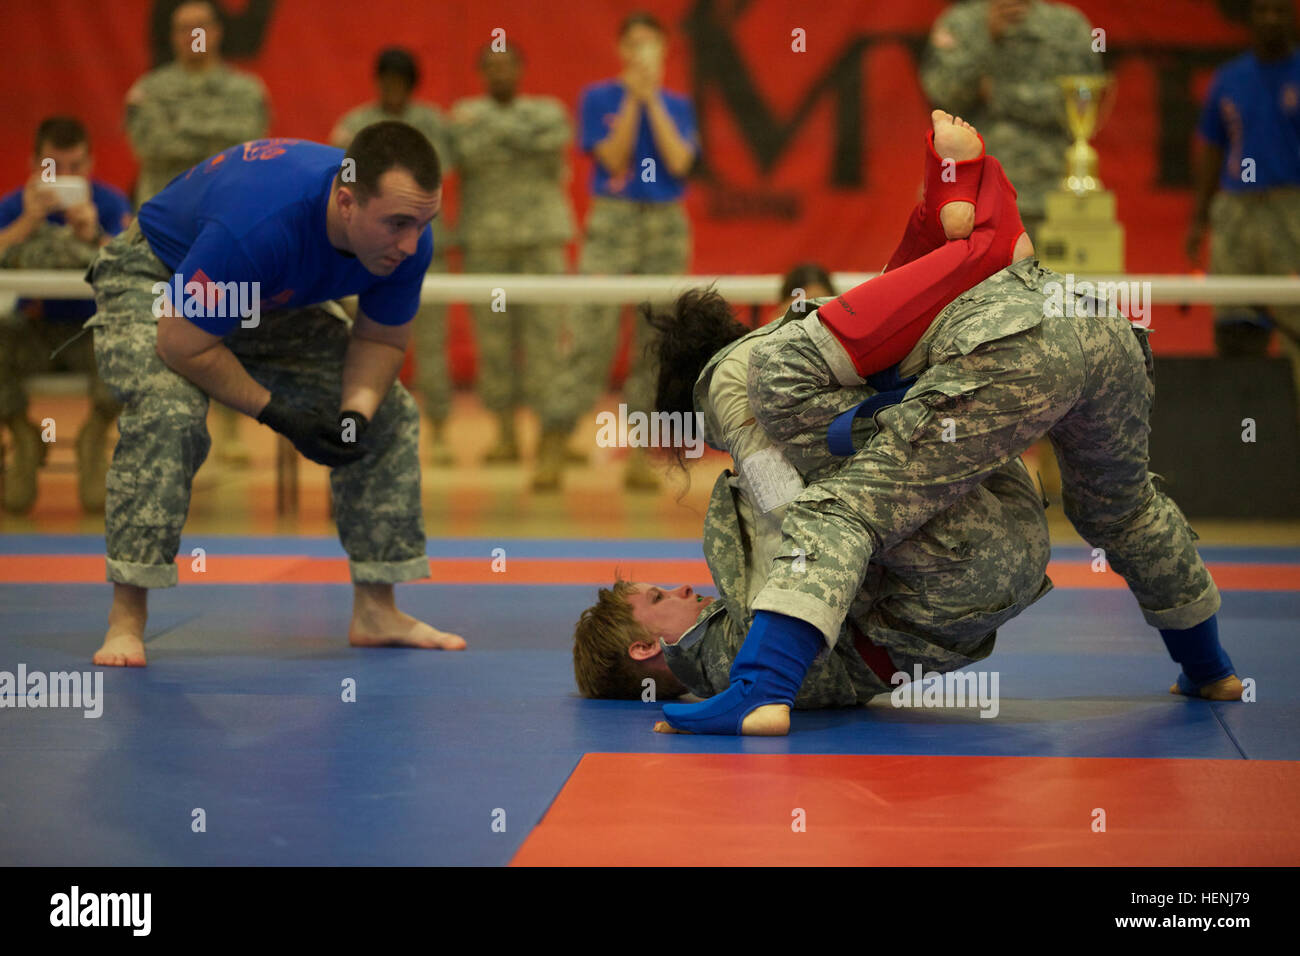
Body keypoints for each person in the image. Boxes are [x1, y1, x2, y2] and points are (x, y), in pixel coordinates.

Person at [659, 114, 1243, 736]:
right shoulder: (813, 334)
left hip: (1005, 345)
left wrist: (781, 622)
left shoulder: (732, 380)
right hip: (1088, 319)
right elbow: (895, 298)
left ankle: (759, 692)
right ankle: (1210, 667)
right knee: (1121, 507)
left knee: (837, 508)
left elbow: (784, 504)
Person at [575, 115, 1051, 708]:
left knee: (886, 345)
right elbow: (786, 515)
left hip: (988, 540)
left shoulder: (730, 391)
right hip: (962, 547)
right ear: (645, 649)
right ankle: (977, 241)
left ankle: (963, 221)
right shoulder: (731, 655)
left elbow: (784, 506)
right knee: (885, 334)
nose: (678, 585)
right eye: (656, 598)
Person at [85, 122, 466, 667]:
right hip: (161, 278)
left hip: (260, 294)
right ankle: (126, 618)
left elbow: (381, 337)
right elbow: (181, 343)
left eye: (422, 224)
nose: (411, 244)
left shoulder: (406, 235)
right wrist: (280, 415)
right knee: (171, 412)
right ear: (347, 202)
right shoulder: (261, 223)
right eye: (398, 224)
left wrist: (353, 415)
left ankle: (377, 610)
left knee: (389, 412)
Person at [556, 10, 699, 492]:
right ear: (621, 50)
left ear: (664, 50)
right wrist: (633, 102)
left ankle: (643, 451)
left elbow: (679, 162)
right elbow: (612, 157)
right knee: (588, 329)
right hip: (613, 218)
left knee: (654, 337)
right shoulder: (598, 98)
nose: (641, 53)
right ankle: (556, 439)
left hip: (664, 224)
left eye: (651, 44)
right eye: (633, 44)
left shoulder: (677, 104)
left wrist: (652, 100)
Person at [125, 0, 271, 466]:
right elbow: (151, 143)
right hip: (164, 231)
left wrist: (184, 129)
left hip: (226, 227)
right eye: (182, 29)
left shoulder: (246, 89)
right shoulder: (149, 90)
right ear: (171, 38)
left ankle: (228, 430)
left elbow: (249, 143)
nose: (193, 36)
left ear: (218, 32)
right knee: (158, 327)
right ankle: (164, 430)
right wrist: (212, 137)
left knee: (225, 323)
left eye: (201, 27)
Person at [449, 44, 577, 472]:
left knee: (546, 340)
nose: (500, 73)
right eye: (491, 67)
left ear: (521, 69)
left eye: (507, 65)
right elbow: (464, 153)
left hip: (541, 241)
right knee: (494, 341)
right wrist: (520, 138)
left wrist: (495, 132)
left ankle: (550, 435)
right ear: (481, 72)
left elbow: (555, 138)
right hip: (487, 243)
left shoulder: (547, 110)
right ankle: (505, 434)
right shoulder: (464, 114)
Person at [332, 47, 458, 465]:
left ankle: (439, 432)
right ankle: (358, 422)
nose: (393, 89)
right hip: (363, 255)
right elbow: (339, 174)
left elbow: (444, 173)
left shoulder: (431, 126)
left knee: (431, 343)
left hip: (418, 250)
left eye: (401, 81)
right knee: (362, 341)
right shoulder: (355, 125)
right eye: (387, 80)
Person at [0, 117, 132, 513]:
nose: (64, 176)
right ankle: (23, 435)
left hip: (89, 332)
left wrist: (92, 235)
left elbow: (135, 267)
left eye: (74, 167)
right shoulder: (13, 206)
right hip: (33, 331)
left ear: (90, 165)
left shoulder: (109, 204)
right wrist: (27, 222)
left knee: (130, 343)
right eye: (52, 167)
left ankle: (93, 439)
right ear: (34, 164)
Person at [1186, 0, 1300, 421]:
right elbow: (1212, 147)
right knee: (1236, 320)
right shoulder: (1230, 78)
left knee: (1295, 320)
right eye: (1263, 11)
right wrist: (1199, 218)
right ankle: (1243, 429)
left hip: (1292, 208)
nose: (1271, 19)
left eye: (1280, 11)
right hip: (1236, 209)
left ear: (1292, 17)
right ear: (1250, 19)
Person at [921, 0, 1102, 241]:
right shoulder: (960, 24)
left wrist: (998, 94)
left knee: (1050, 278)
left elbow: (1082, 101)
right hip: (972, 199)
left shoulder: (1068, 26)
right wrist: (985, 38)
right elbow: (941, 92)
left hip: (1050, 195)